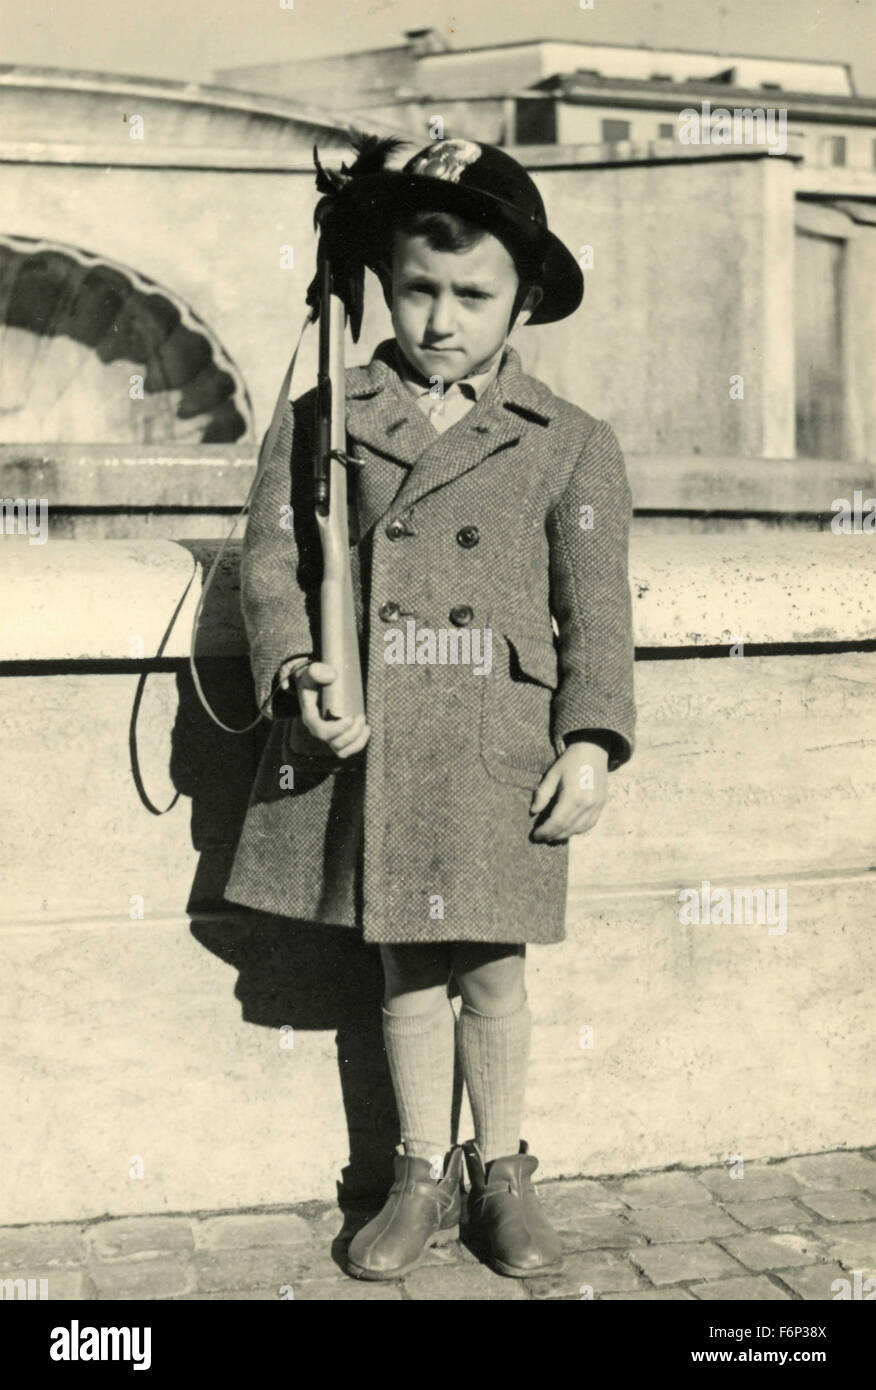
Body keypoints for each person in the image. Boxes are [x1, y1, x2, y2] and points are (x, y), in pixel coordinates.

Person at [224, 137, 636, 1281]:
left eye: (474, 295)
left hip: (500, 745)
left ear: (527, 302)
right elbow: (271, 563)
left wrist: (592, 741)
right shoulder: (329, 417)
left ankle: (502, 1171)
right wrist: (302, 671)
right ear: (381, 285)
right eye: (418, 288)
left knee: (494, 966)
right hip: (388, 739)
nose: (442, 318)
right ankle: (420, 1172)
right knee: (406, 963)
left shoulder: (569, 444)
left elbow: (594, 611)